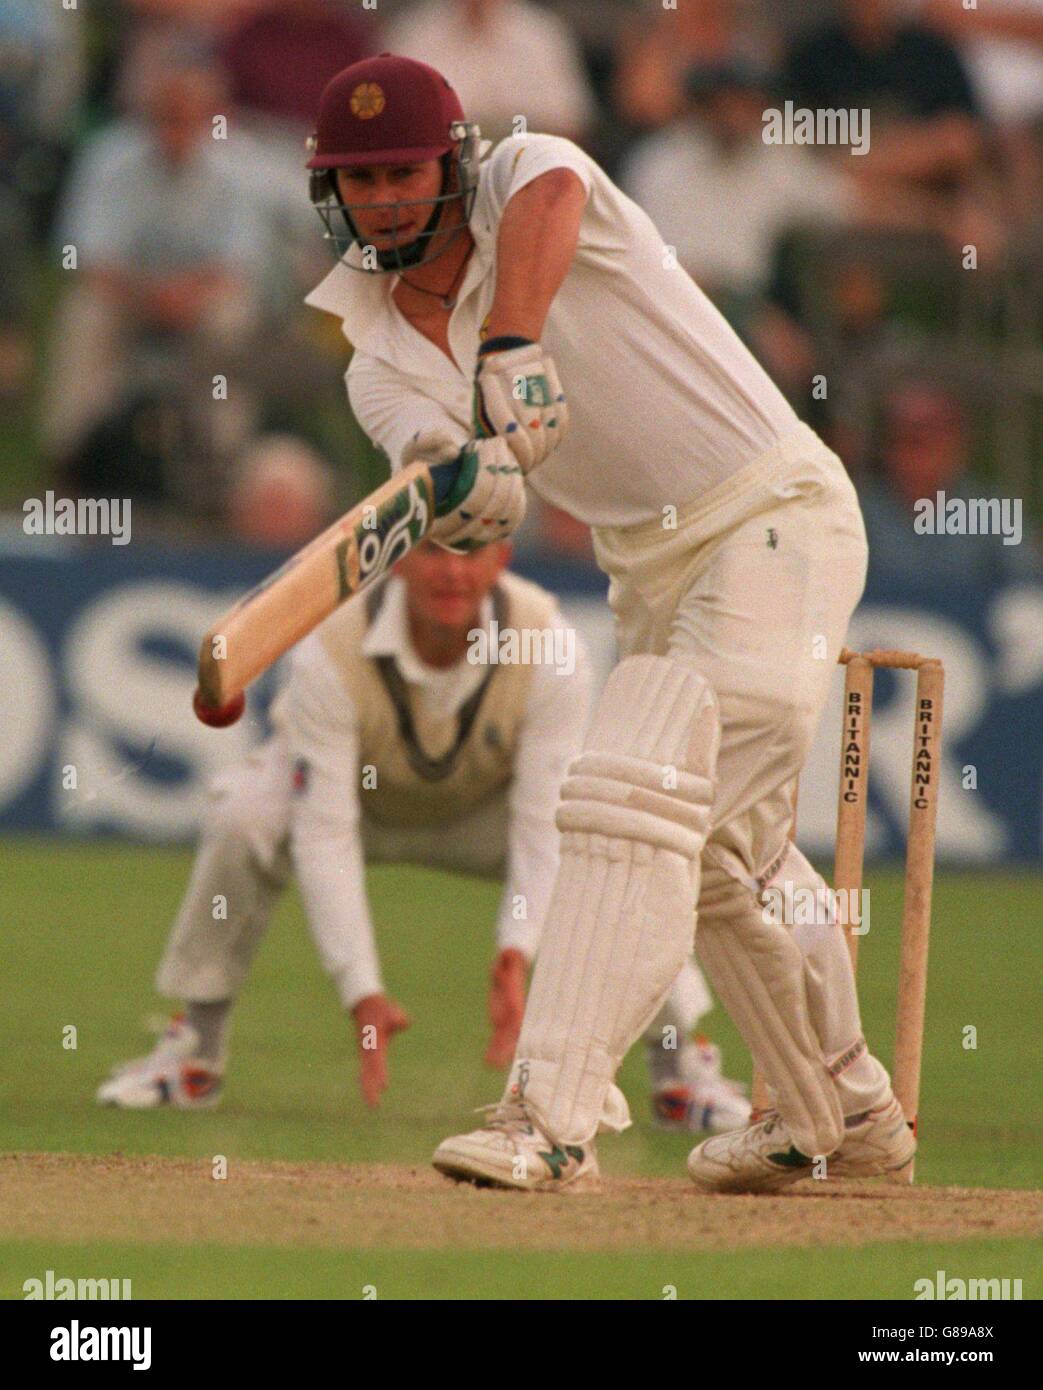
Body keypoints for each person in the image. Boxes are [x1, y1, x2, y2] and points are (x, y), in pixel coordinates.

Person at [301, 53, 914, 1193]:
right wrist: (462, 487)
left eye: (402, 168)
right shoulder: (375, 355)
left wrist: (511, 342)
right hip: (650, 574)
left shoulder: (522, 179)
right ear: (330, 193)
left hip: (772, 512)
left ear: (449, 162)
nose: (383, 195)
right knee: (726, 856)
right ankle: (842, 1111)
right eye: (359, 177)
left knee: (626, 795)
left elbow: (553, 192)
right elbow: (440, 471)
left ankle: (549, 1115)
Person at [97, 541, 749, 1132]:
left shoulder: (546, 642)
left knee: (604, 842)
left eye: (472, 551)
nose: (452, 572)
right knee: (243, 813)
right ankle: (196, 1051)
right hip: (360, 808)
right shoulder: (330, 641)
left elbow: (538, 825)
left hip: (479, 817)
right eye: (434, 549)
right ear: (400, 556)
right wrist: (363, 993)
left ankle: (679, 1070)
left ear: (500, 557)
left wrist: (516, 950)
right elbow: (324, 834)